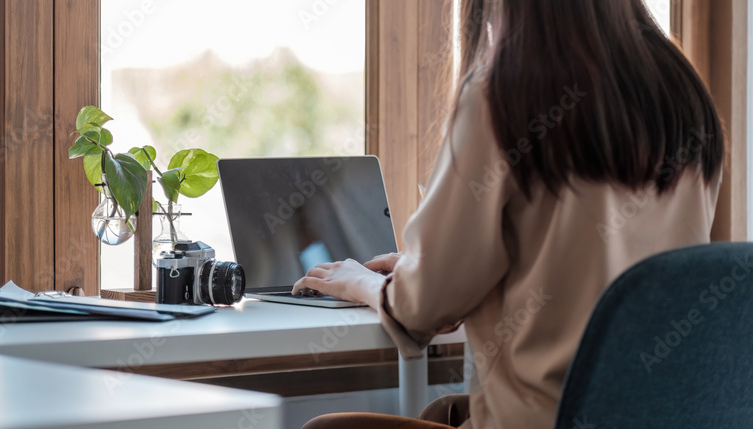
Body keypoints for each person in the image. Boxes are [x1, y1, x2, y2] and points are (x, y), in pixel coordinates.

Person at [292, 0, 724, 428]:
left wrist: (364, 283)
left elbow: (422, 310)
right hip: (663, 414)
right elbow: (584, 264)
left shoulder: (504, 96)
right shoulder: (684, 97)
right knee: (443, 414)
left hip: (546, 418)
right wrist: (431, 271)